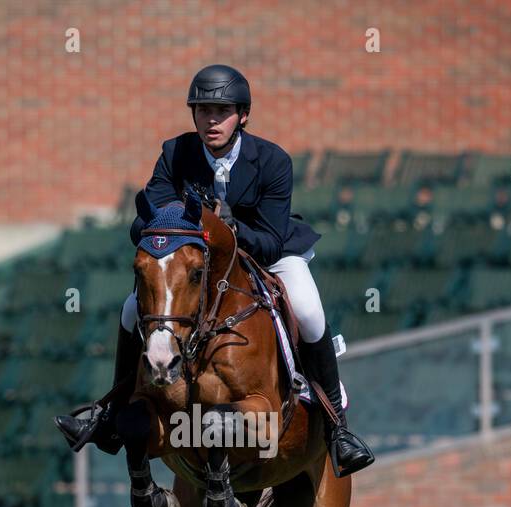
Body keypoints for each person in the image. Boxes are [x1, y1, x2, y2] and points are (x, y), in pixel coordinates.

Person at [55, 64, 374, 478]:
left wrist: (225, 230)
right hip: (196, 262)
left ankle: (337, 427)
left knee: (309, 310)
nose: (211, 120)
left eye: (221, 111)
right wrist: (173, 228)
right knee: (132, 309)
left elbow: (272, 239)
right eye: (203, 110)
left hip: (267, 253)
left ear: (242, 115)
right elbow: (147, 220)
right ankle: (112, 411)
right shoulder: (175, 153)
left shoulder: (273, 160)